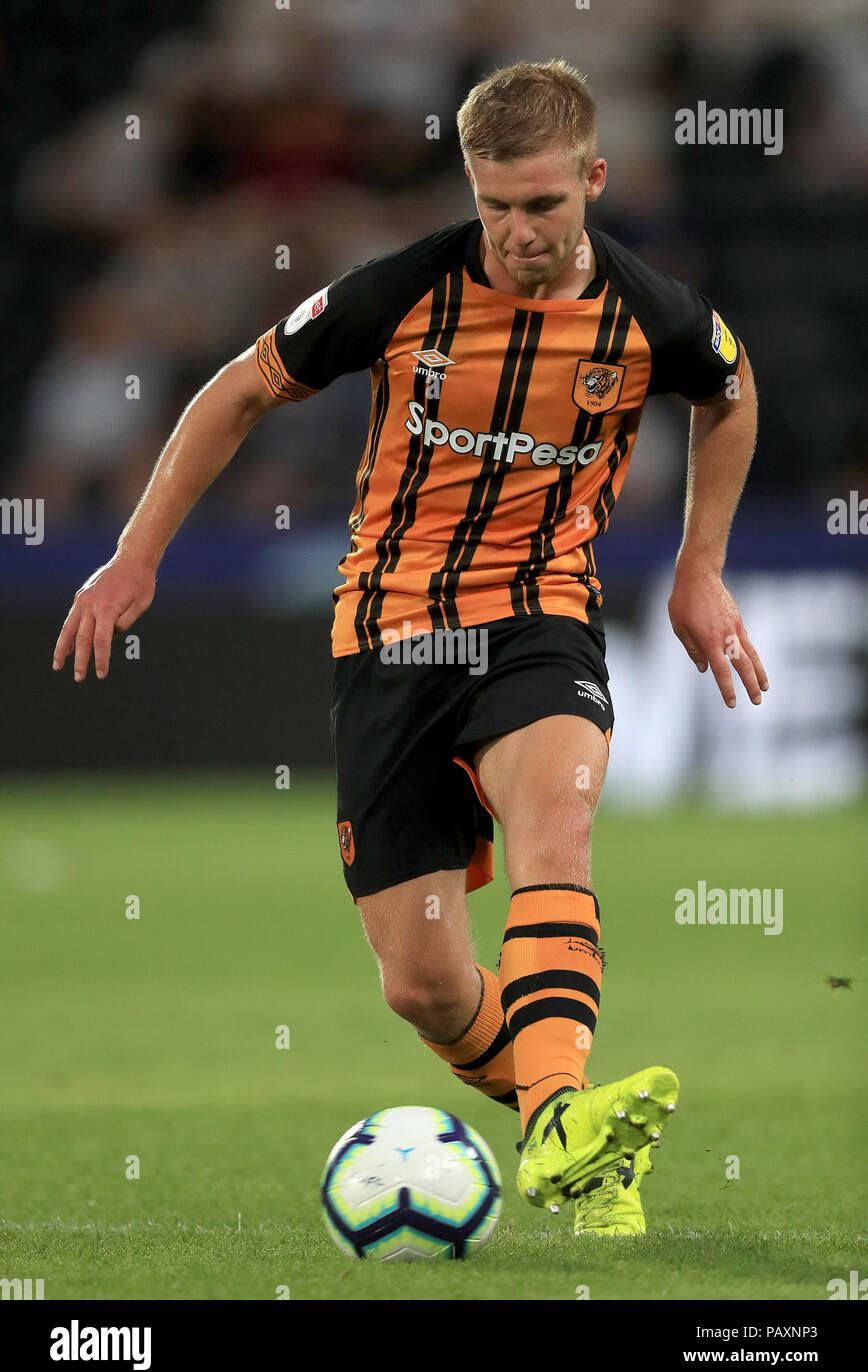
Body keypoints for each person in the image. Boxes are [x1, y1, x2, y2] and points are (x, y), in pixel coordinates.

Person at [53, 59, 768, 1235]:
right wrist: (135, 556)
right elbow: (237, 390)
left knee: (558, 831)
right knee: (424, 986)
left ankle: (554, 1129)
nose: (517, 230)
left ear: (593, 180)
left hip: (541, 617)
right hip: (390, 633)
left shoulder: (653, 313)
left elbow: (729, 394)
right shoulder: (402, 291)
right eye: (494, 203)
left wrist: (699, 568)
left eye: (541, 204)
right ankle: (568, 1124)